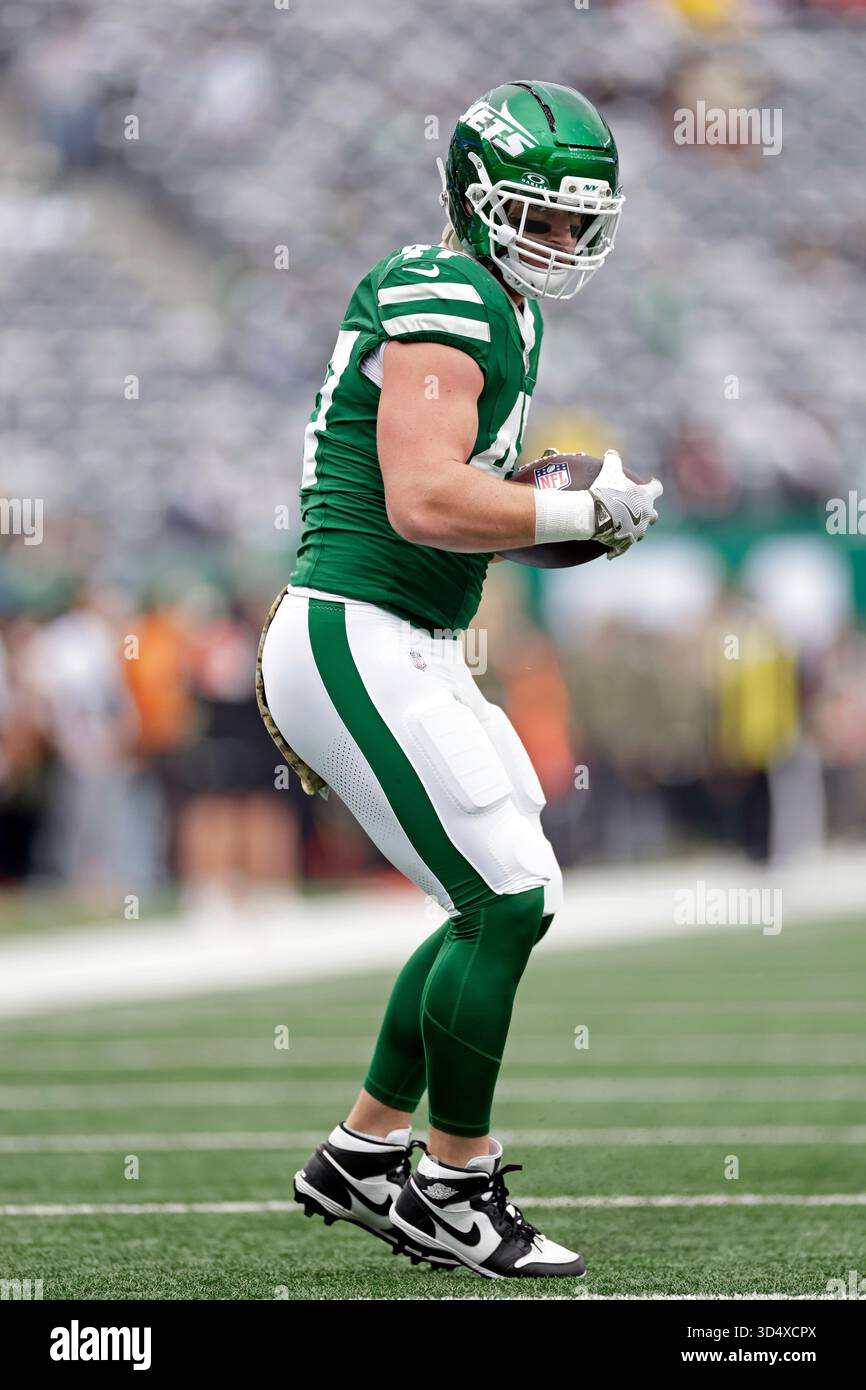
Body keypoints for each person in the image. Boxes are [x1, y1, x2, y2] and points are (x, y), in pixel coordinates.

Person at [259, 81, 663, 1280]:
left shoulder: (504, 311)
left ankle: (363, 1150)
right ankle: (451, 1179)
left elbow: (461, 505)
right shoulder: (439, 293)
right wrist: (570, 506)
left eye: (575, 222)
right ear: (473, 203)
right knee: (503, 899)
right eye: (535, 217)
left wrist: (555, 512)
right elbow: (422, 499)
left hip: (414, 635)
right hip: (353, 626)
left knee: (505, 889)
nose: (558, 244)